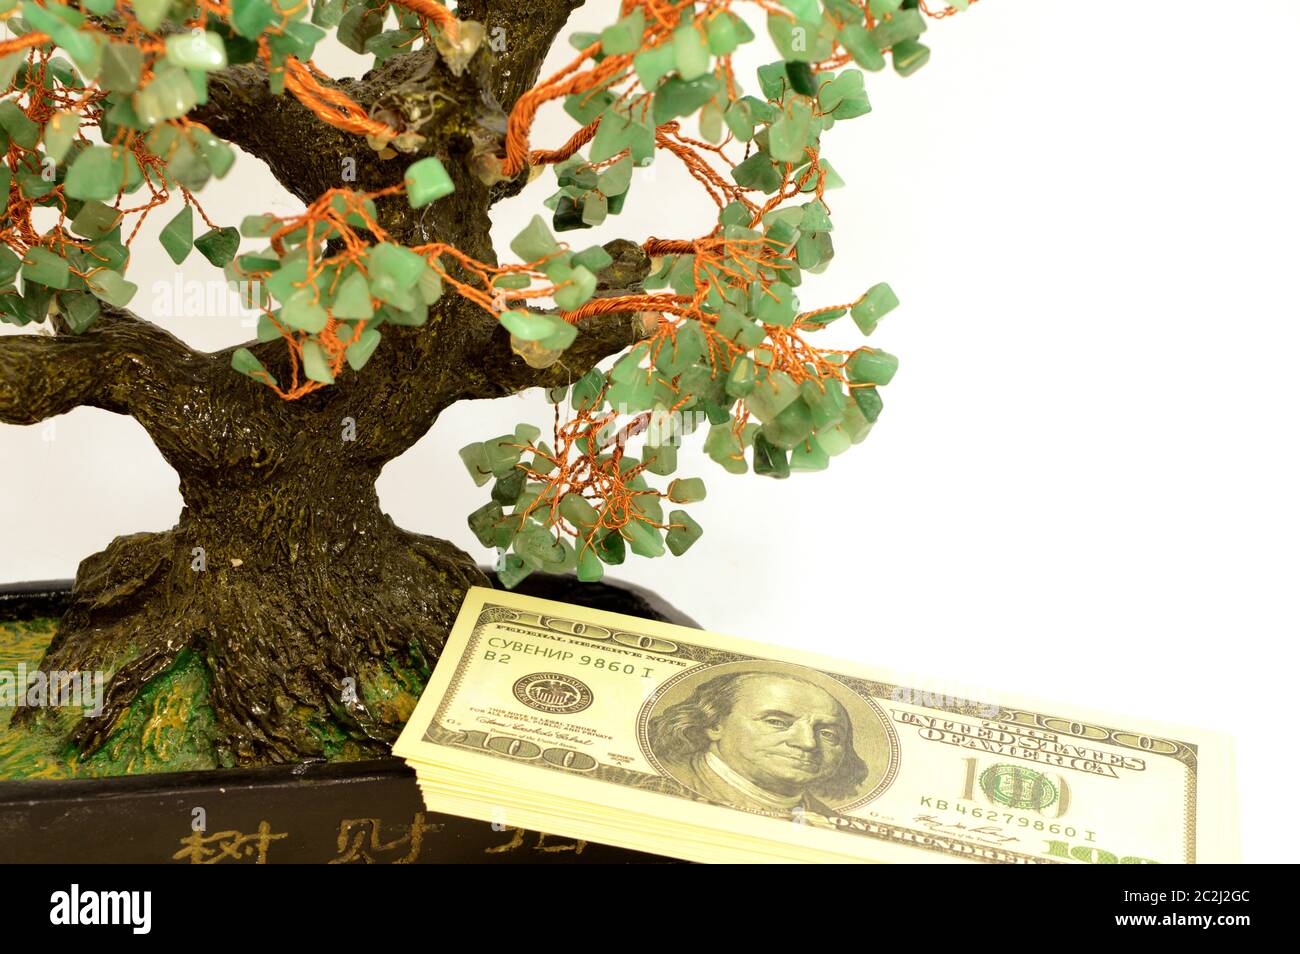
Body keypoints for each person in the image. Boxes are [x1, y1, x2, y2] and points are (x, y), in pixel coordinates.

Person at [648, 670, 869, 816]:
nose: (807, 742)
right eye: (776, 722)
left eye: (828, 734)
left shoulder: (830, 822)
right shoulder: (655, 788)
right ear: (715, 724)